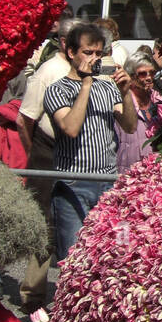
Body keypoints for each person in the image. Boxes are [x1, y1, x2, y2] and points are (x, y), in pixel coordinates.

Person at [43, 23, 136, 272]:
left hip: (107, 182)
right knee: (72, 261)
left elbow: (129, 126)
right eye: (87, 52)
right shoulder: (57, 89)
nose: (94, 59)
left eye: (98, 53)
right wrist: (85, 84)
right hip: (72, 183)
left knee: (114, 256)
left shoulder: (107, 87)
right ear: (71, 52)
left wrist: (126, 93)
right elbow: (70, 128)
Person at [17, 16, 76, 311]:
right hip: (47, 152)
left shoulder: (86, 71)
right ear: (65, 43)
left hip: (78, 155)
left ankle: (73, 295)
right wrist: (35, 156)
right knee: (44, 225)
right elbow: (25, 118)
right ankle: (32, 294)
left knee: (76, 221)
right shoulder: (49, 71)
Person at [115, 55, 157, 173]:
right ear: (131, 77)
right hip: (128, 173)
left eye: (152, 73)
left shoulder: (160, 101)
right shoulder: (120, 102)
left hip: (155, 173)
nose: (149, 78)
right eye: (143, 74)